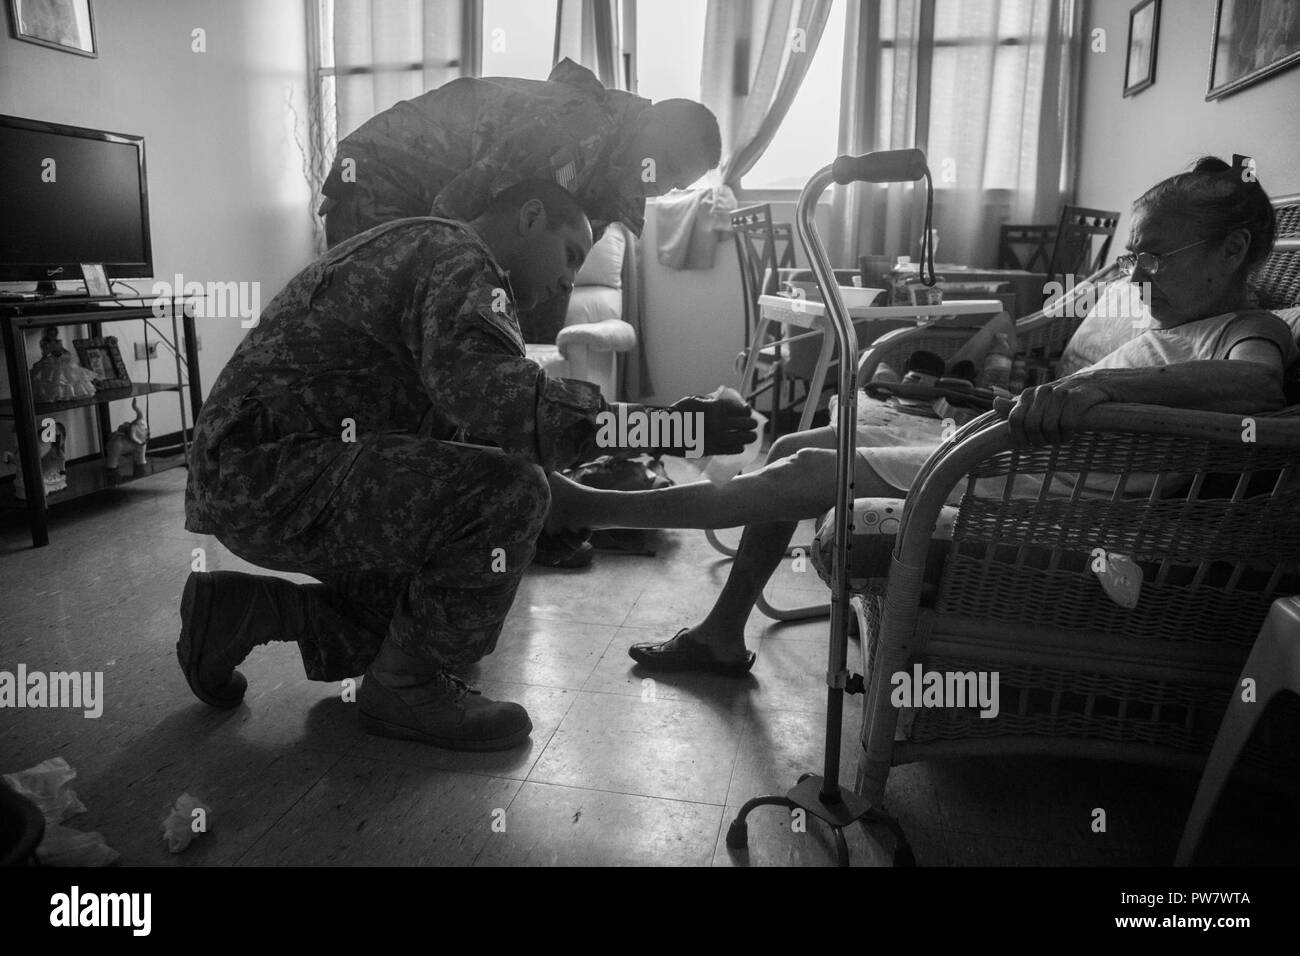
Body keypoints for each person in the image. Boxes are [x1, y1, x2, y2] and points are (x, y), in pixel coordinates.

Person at [543, 156, 1298, 675]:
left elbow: (1258, 392)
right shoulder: (1166, 324)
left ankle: (593, 506)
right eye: (1136, 255)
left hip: (1058, 489)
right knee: (806, 437)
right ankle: (719, 635)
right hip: (1011, 448)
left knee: (809, 468)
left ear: (1233, 250)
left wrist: (1100, 393)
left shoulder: (1247, 330)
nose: (1138, 273)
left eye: (1156, 256)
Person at [178, 180, 756, 750]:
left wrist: (559, 519)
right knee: (510, 494)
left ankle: (245, 612)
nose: (566, 279)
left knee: (431, 606)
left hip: (263, 474)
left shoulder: (441, 261)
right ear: (529, 216)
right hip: (265, 472)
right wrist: (672, 428)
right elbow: (507, 406)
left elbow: (475, 432)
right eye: (569, 255)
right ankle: (405, 686)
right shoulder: (459, 260)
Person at [320, 58, 720, 342]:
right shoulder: (574, 134)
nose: (660, 184)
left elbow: (550, 280)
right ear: (647, 121)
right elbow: (456, 225)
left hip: (430, 203)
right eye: (665, 163)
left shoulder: (614, 183)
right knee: (377, 341)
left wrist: (526, 370)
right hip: (379, 178)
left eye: (676, 184)